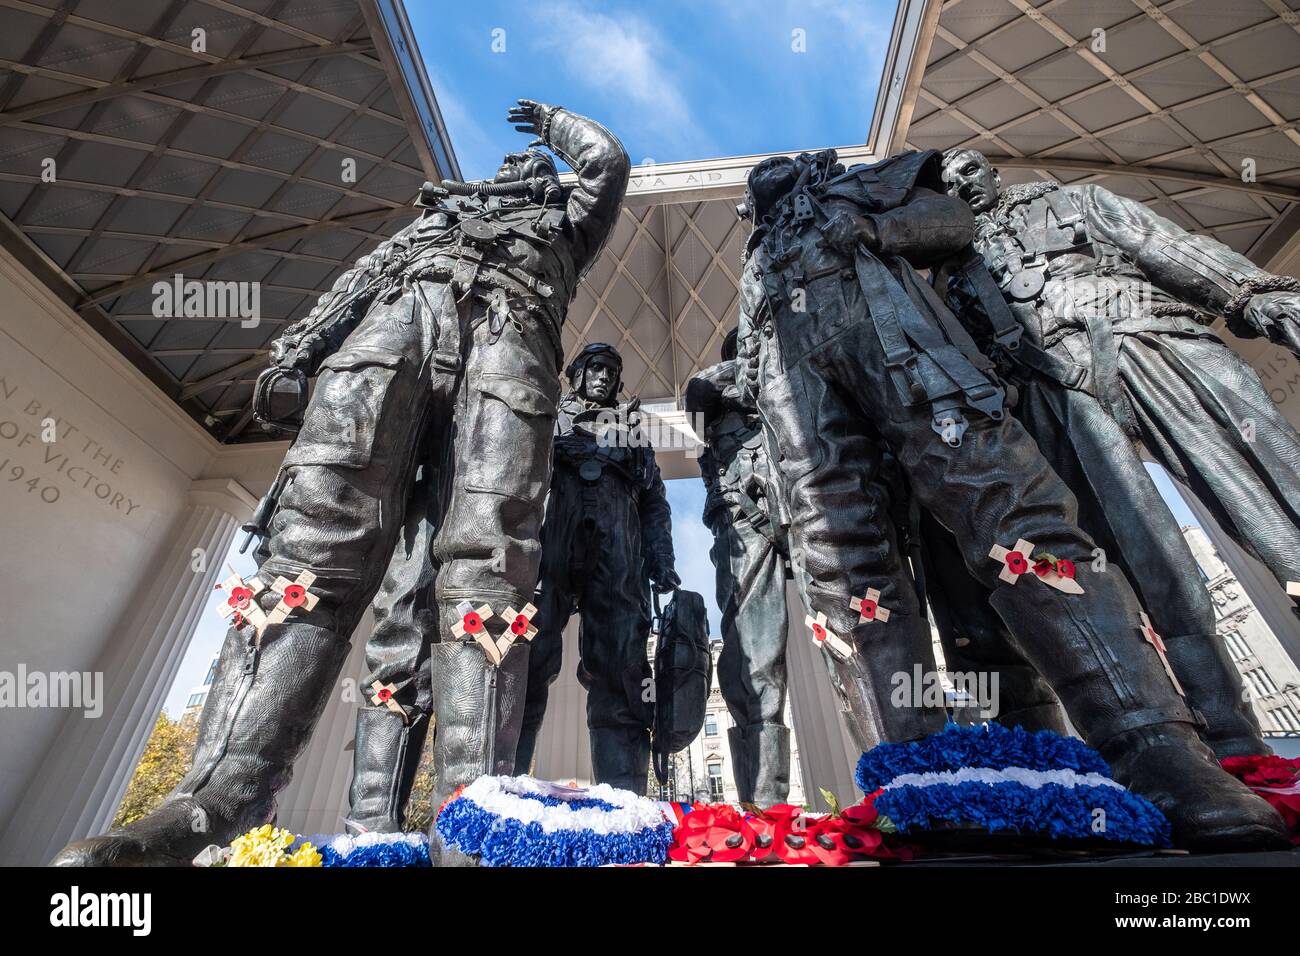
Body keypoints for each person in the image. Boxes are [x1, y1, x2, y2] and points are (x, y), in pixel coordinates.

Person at [52, 100, 630, 866]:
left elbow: (606, 163)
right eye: (509, 165)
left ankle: (475, 822)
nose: (517, 172)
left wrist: (554, 122)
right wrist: (300, 348)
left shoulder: (568, 224)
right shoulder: (435, 221)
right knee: (312, 539)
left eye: (533, 169)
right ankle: (217, 799)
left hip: (509, 343)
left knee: (493, 564)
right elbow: (363, 278)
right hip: (396, 329)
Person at [735, 146, 1288, 849]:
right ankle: (908, 782)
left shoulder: (863, 187)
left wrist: (876, 233)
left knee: (1019, 522)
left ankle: (1156, 748)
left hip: (921, 373)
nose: (769, 180)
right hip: (812, 436)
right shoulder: (753, 268)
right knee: (845, 578)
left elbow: (951, 222)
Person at [937, 146, 1300, 756]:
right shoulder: (950, 277)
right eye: (945, 184)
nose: (960, 185)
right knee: (1142, 568)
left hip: (1146, 339)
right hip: (1054, 394)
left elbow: (1160, 245)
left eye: (968, 170)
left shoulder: (1074, 200)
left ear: (994, 171)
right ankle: (1230, 745)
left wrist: (1251, 295)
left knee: (1267, 492)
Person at [515, 343, 678, 794]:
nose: (604, 377)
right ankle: (501, 791)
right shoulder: (549, 417)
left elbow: (653, 503)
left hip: (619, 556)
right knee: (527, 656)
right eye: (595, 368)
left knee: (622, 666)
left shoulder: (632, 431)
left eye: (611, 371)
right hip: (554, 546)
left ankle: (625, 798)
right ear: (578, 373)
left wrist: (662, 557)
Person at [686, 329, 792, 804]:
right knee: (752, 653)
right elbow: (695, 395)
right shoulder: (719, 398)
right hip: (745, 525)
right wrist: (747, 371)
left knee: (855, 631)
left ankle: (906, 795)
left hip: (811, 514)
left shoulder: (795, 384)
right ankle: (764, 803)